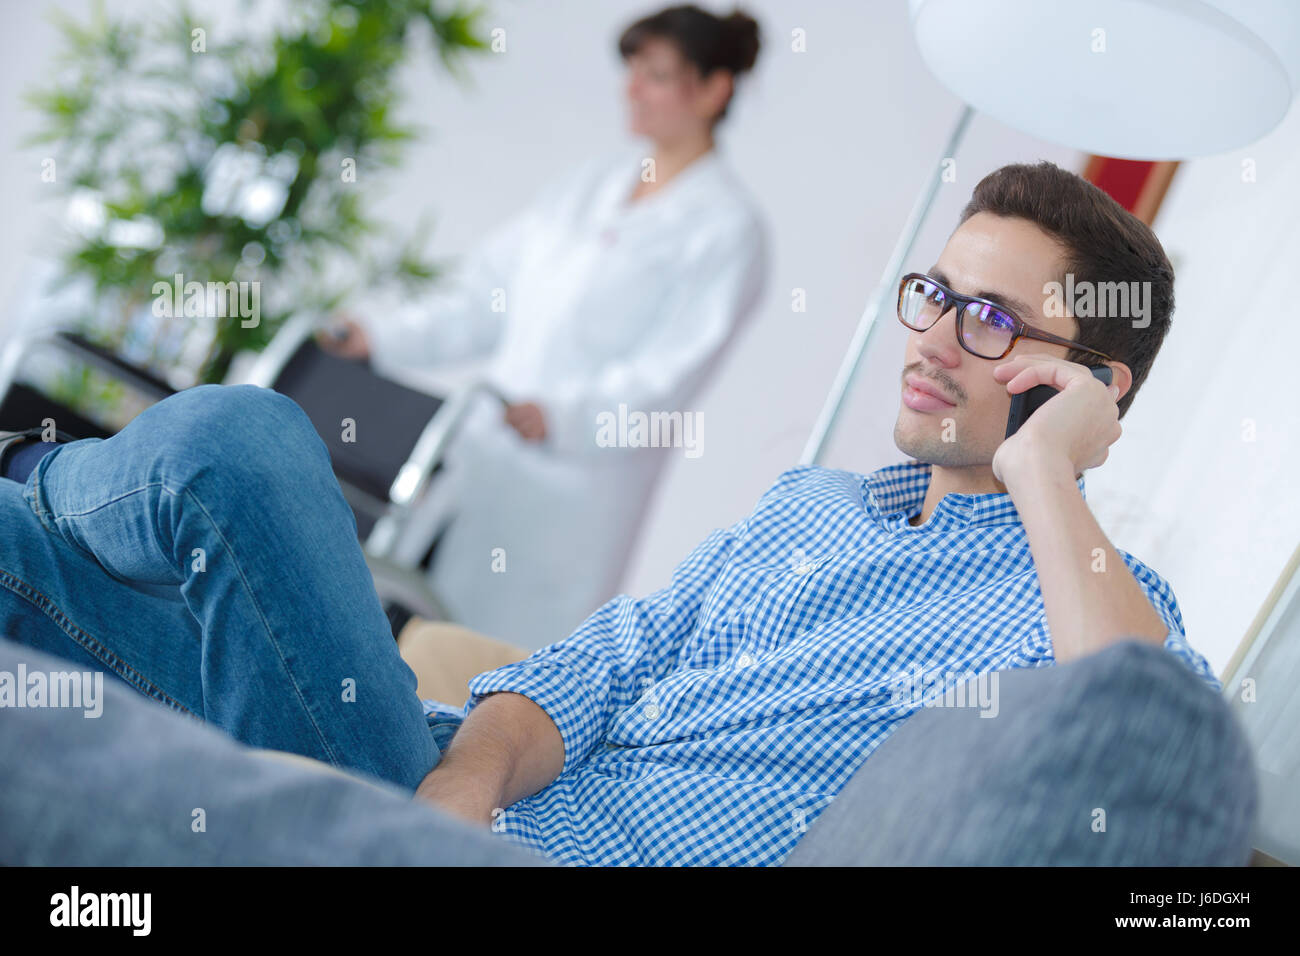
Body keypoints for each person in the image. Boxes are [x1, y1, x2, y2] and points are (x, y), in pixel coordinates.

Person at [0, 161, 1220, 867]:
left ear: (1089, 389)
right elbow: (588, 673)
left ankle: (27, 472)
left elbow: (1123, 708)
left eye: (993, 321)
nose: (935, 339)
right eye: (933, 294)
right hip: (432, 791)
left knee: (237, 444)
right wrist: (461, 794)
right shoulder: (810, 507)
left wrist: (1047, 471)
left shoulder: (1093, 613)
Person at [320, 5, 768, 649]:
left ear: (713, 89)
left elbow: (667, 380)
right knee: (390, 634)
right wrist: (382, 334)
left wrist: (561, 416)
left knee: (473, 673)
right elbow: (485, 298)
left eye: (657, 75)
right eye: (633, 71)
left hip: (567, 498)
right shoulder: (594, 183)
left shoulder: (727, 229)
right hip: (478, 455)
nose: (633, 89)